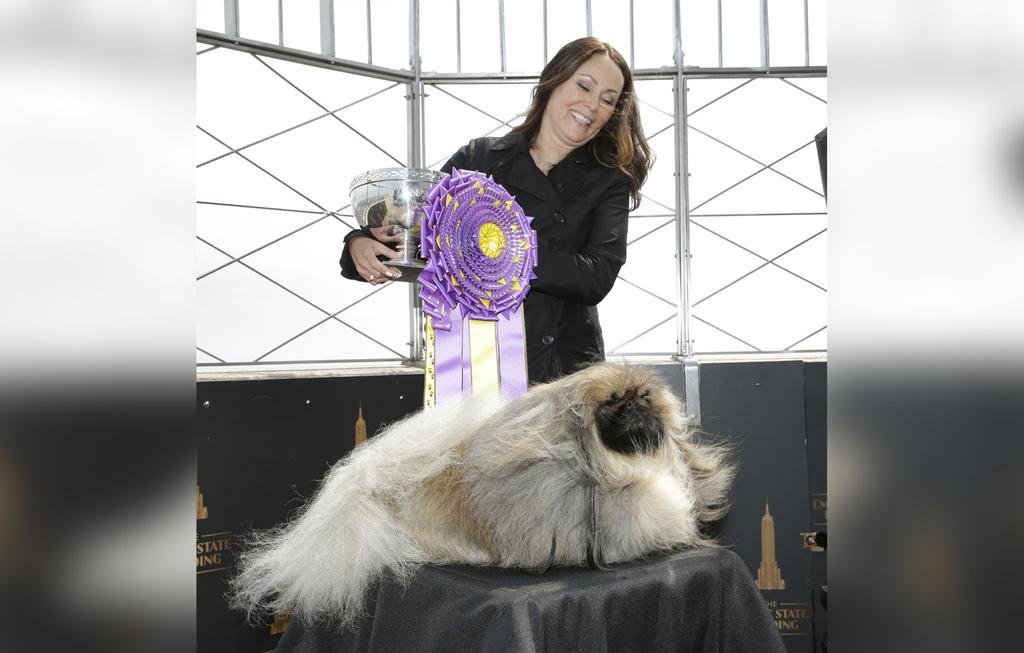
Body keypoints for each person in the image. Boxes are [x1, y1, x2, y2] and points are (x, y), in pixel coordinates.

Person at [340, 37, 651, 384]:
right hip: (475, 365)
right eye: (584, 86)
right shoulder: (478, 159)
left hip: (565, 377)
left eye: (607, 100)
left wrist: (501, 250)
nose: (592, 106)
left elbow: (596, 277)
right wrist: (359, 244)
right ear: (553, 80)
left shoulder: (608, 181)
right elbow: (421, 236)